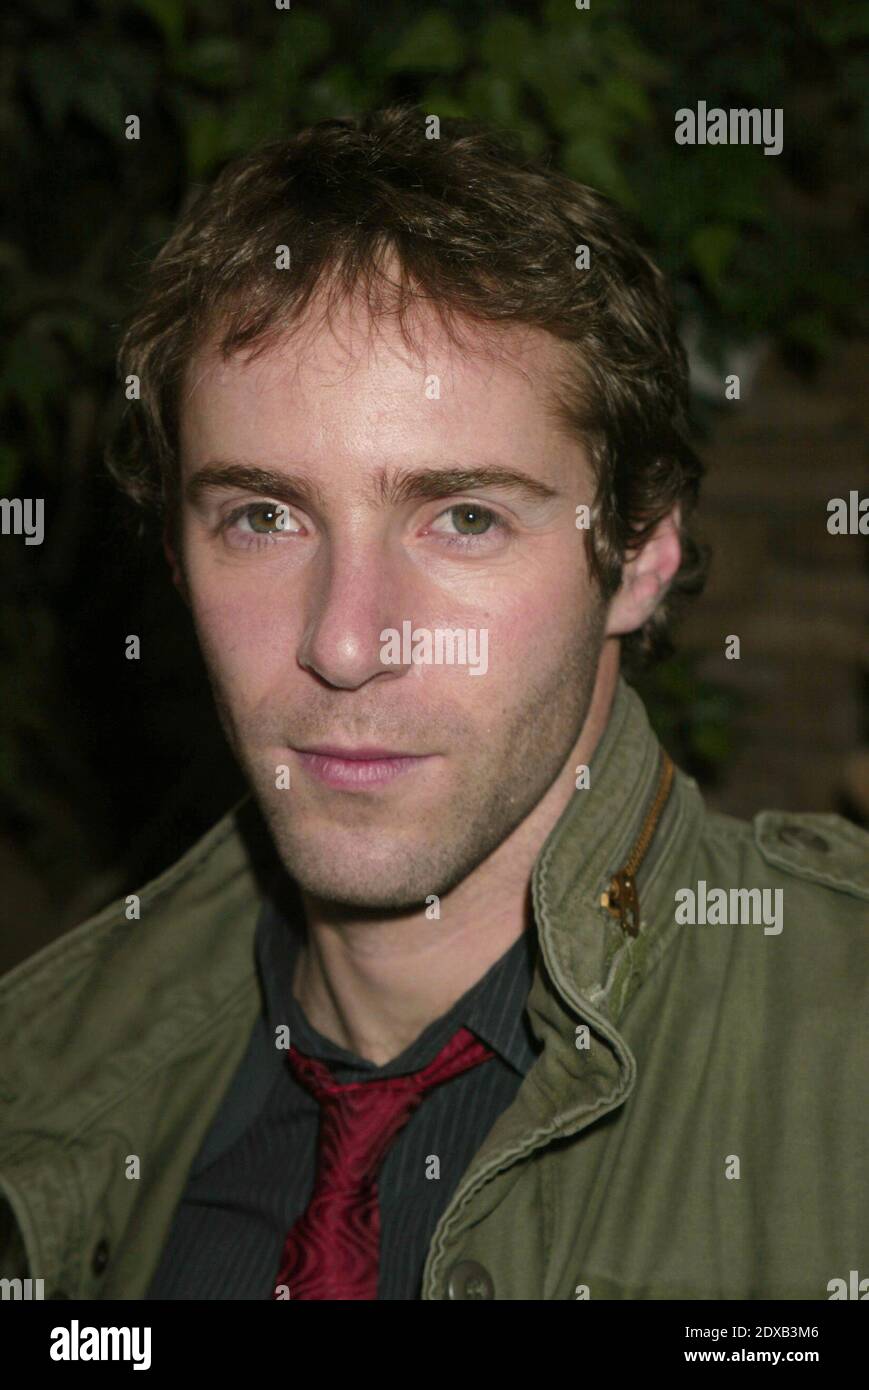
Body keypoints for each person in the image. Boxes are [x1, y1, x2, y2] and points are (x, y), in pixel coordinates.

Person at [1, 105, 866, 1302]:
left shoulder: (841, 1065)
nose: (346, 642)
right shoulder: (40, 1095)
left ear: (639, 552)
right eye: (263, 516)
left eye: (463, 517)